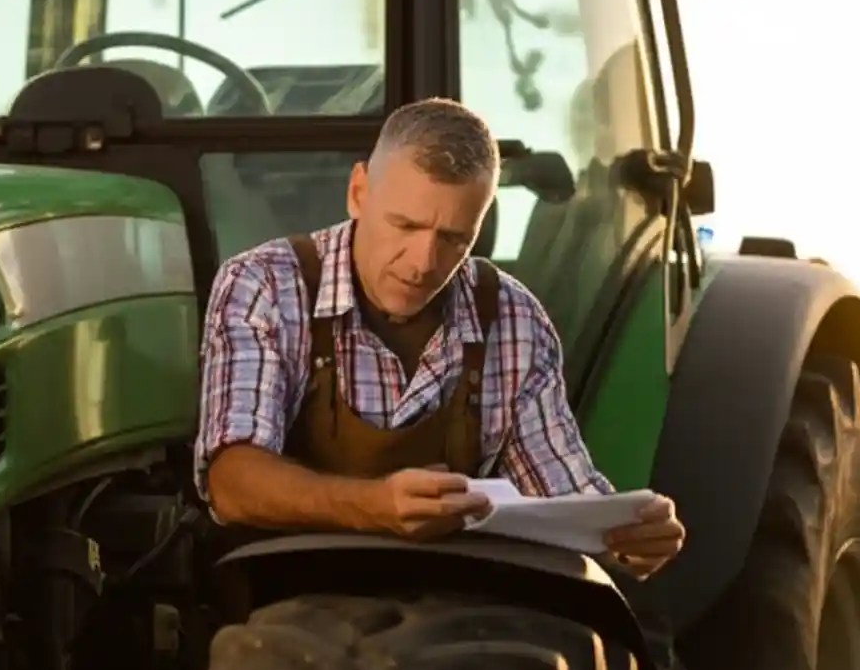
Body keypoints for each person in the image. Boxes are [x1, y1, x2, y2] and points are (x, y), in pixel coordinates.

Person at [192, 97, 685, 580]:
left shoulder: (511, 318)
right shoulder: (267, 286)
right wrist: (373, 507)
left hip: (458, 597)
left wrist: (624, 535)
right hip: (289, 589)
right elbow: (232, 481)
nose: (424, 262)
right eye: (405, 225)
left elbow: (563, 493)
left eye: (454, 238)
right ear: (358, 192)